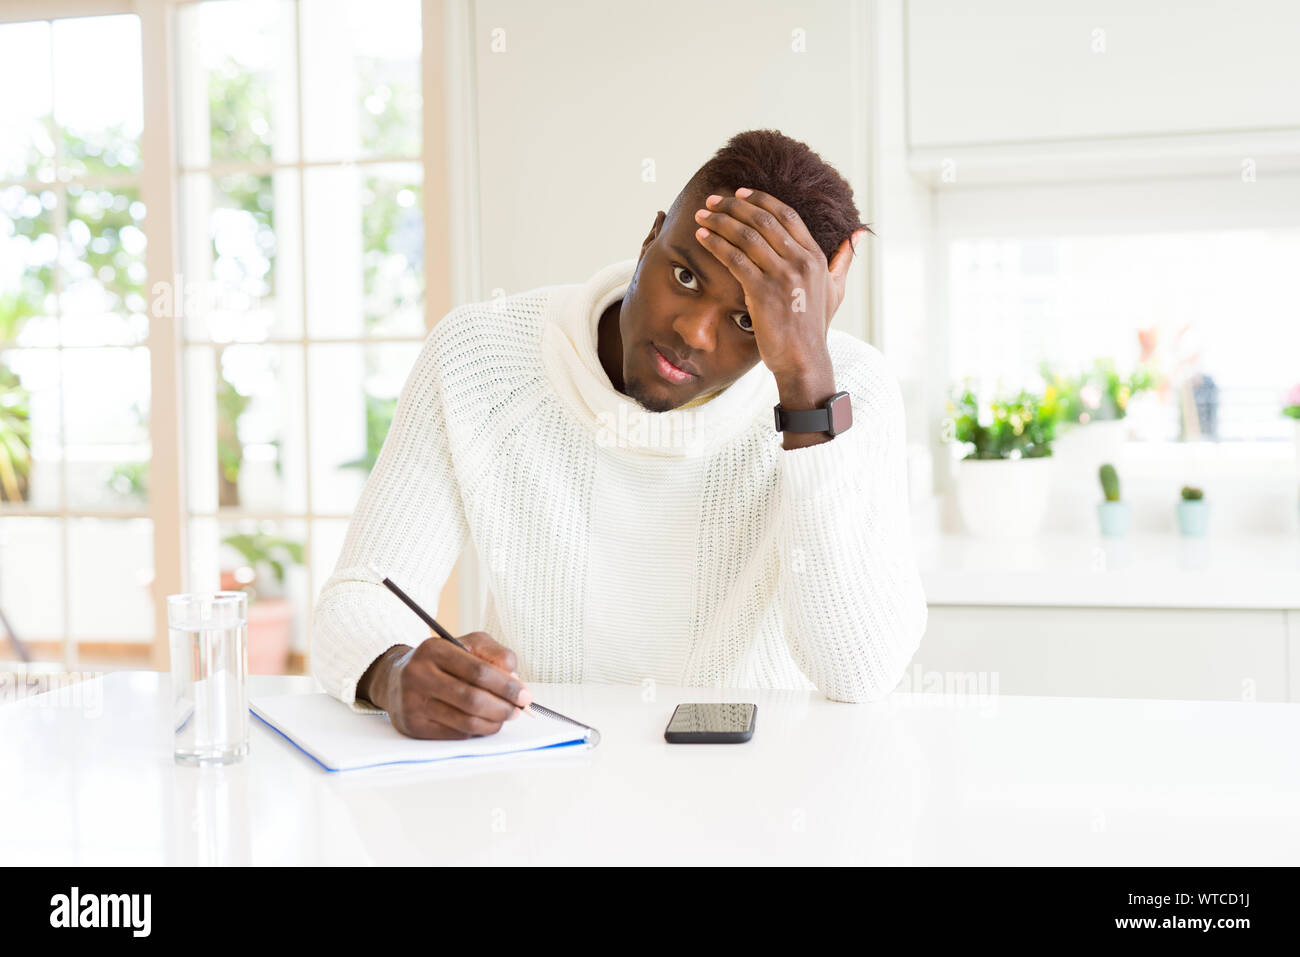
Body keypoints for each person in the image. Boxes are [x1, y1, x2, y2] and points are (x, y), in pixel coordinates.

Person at [311, 128, 928, 739]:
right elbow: (361, 595)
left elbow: (859, 671)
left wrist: (804, 383)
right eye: (685, 277)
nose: (694, 333)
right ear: (649, 239)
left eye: (746, 319)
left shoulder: (846, 388)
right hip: (545, 781)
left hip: (752, 793)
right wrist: (391, 672)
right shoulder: (483, 356)